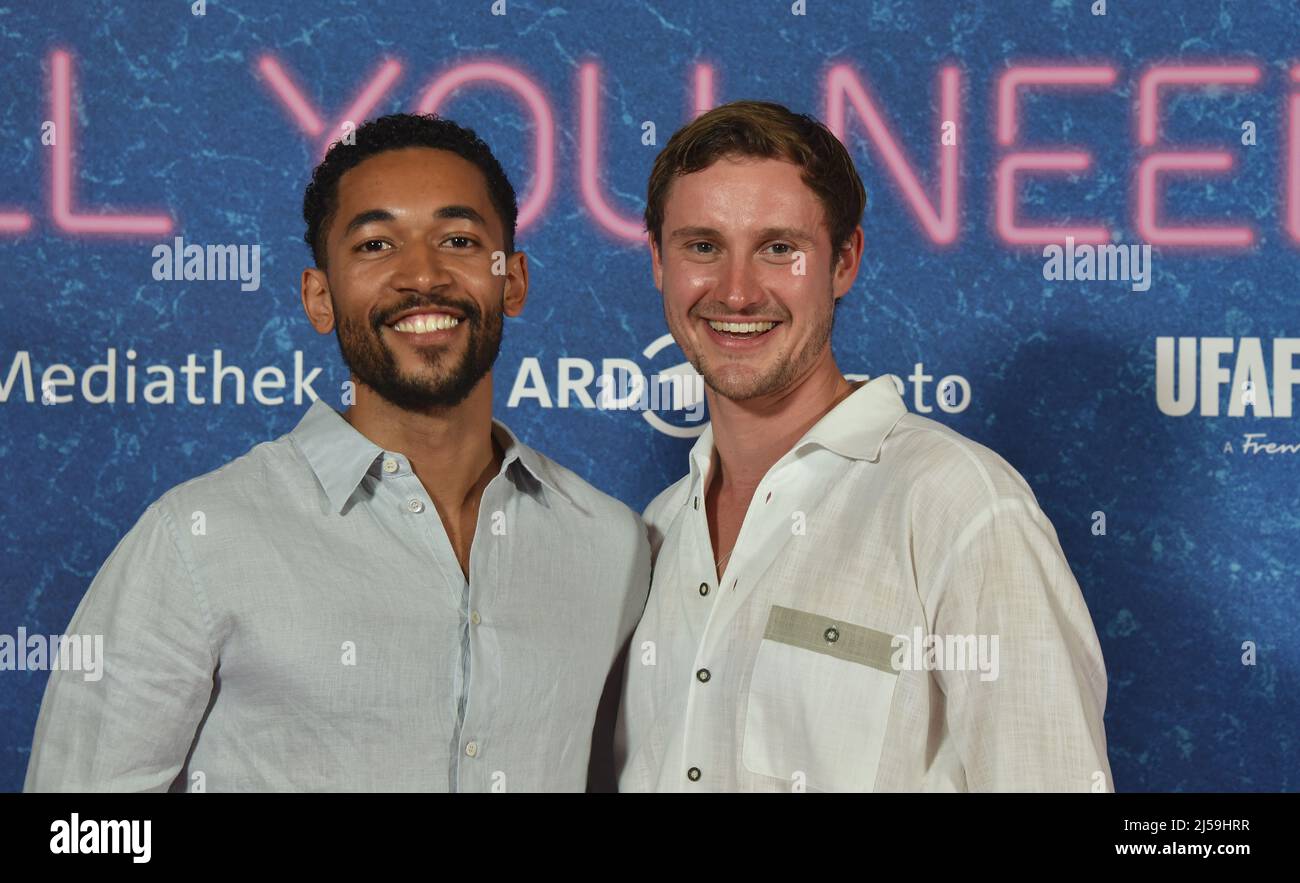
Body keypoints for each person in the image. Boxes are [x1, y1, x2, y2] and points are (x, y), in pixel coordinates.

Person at [25, 113, 650, 792]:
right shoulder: (197, 539)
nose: (422, 275)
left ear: (514, 280)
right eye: (377, 244)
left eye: (460, 239)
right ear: (319, 297)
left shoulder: (609, 544)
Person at [616, 100, 1112, 792]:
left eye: (779, 248)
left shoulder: (959, 505)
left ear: (844, 261)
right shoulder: (656, 533)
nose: (735, 290)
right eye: (703, 246)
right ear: (658, 262)